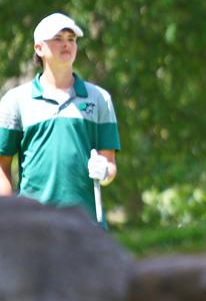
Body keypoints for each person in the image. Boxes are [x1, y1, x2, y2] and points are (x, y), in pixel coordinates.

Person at [0, 12, 120, 224]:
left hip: (86, 225)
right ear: (39, 48)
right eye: (58, 38)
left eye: (71, 39)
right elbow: (2, 168)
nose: (66, 44)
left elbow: (110, 165)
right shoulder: (16, 100)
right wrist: (8, 219)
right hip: (32, 225)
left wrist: (104, 171)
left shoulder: (100, 98)